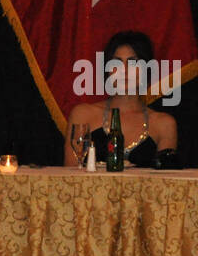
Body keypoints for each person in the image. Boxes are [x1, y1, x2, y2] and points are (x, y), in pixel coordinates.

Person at [64, 30, 178, 166]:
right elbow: (70, 178)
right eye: (116, 63)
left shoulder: (164, 124)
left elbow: (167, 182)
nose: (124, 70)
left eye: (132, 62)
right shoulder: (83, 115)